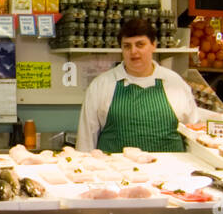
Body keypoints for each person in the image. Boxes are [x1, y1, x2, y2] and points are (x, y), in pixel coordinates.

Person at [78, 17, 199, 152]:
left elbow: (193, 134)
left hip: (168, 171)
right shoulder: (101, 85)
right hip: (116, 171)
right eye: (127, 46)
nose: (133, 51)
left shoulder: (175, 83)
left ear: (153, 45)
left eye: (140, 44)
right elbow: (86, 140)